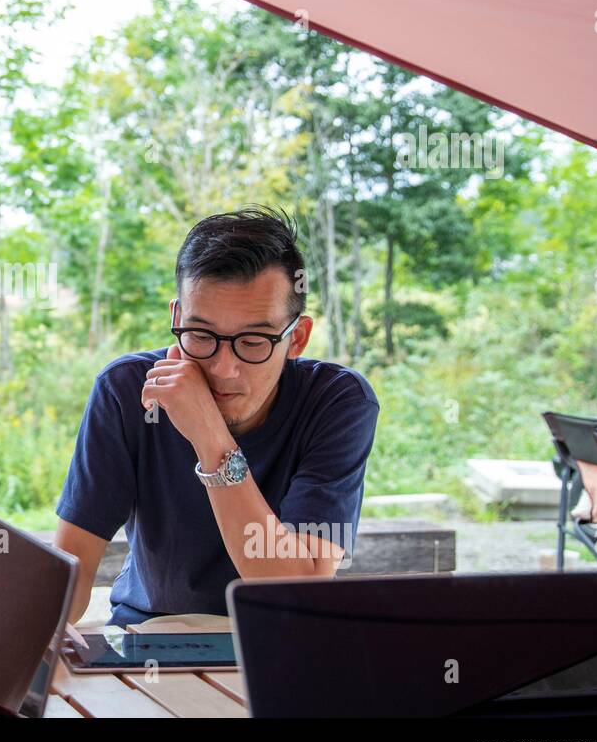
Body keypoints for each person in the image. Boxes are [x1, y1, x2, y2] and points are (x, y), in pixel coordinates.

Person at [54, 207, 380, 626]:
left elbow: (300, 588)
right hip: (150, 633)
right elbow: (71, 573)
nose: (224, 367)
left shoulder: (337, 402)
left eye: (253, 340)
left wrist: (210, 437)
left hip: (279, 640)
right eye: (202, 335)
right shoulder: (126, 390)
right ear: (176, 319)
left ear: (296, 338)